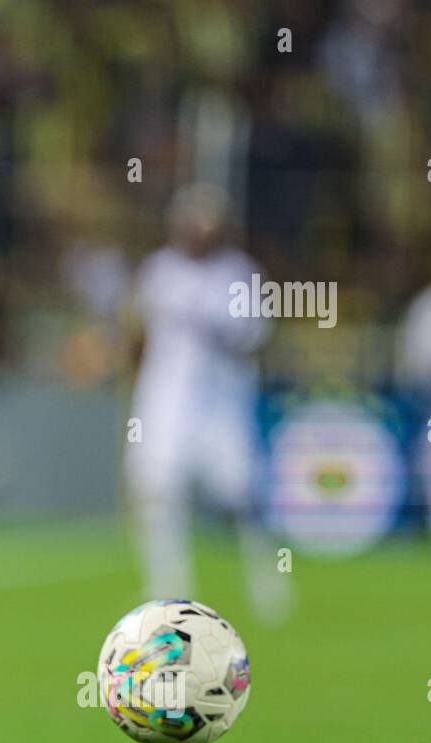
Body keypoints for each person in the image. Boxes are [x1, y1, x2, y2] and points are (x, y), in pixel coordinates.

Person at [125, 183, 288, 622]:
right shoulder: (159, 270)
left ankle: (266, 580)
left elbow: (253, 336)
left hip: (221, 404)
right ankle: (166, 585)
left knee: (241, 496)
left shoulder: (239, 274)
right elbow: (138, 332)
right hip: (165, 401)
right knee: (157, 489)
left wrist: (212, 327)